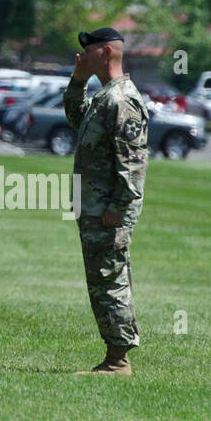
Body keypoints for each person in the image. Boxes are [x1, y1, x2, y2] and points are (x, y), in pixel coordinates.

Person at [64, 27, 149, 375]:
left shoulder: (122, 100)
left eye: (90, 50)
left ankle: (118, 361)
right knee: (102, 281)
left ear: (107, 53)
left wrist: (119, 209)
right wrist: (77, 81)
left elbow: (133, 163)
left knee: (109, 281)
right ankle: (114, 356)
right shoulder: (105, 97)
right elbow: (76, 118)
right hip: (95, 210)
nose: (83, 56)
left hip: (107, 213)